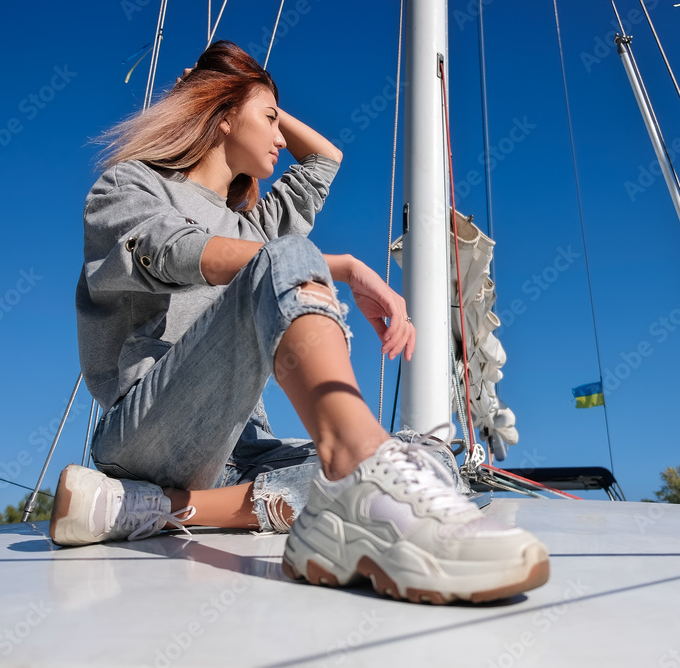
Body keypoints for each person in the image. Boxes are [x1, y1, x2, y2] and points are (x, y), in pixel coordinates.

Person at [50, 40, 549, 604]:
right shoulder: (129, 186)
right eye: (271, 120)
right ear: (221, 116)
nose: (282, 137)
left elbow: (325, 159)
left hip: (241, 458)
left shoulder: (254, 225)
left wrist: (255, 99)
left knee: (430, 455)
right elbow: (172, 251)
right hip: (147, 435)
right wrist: (221, 92)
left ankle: (152, 507)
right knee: (290, 253)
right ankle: (360, 469)